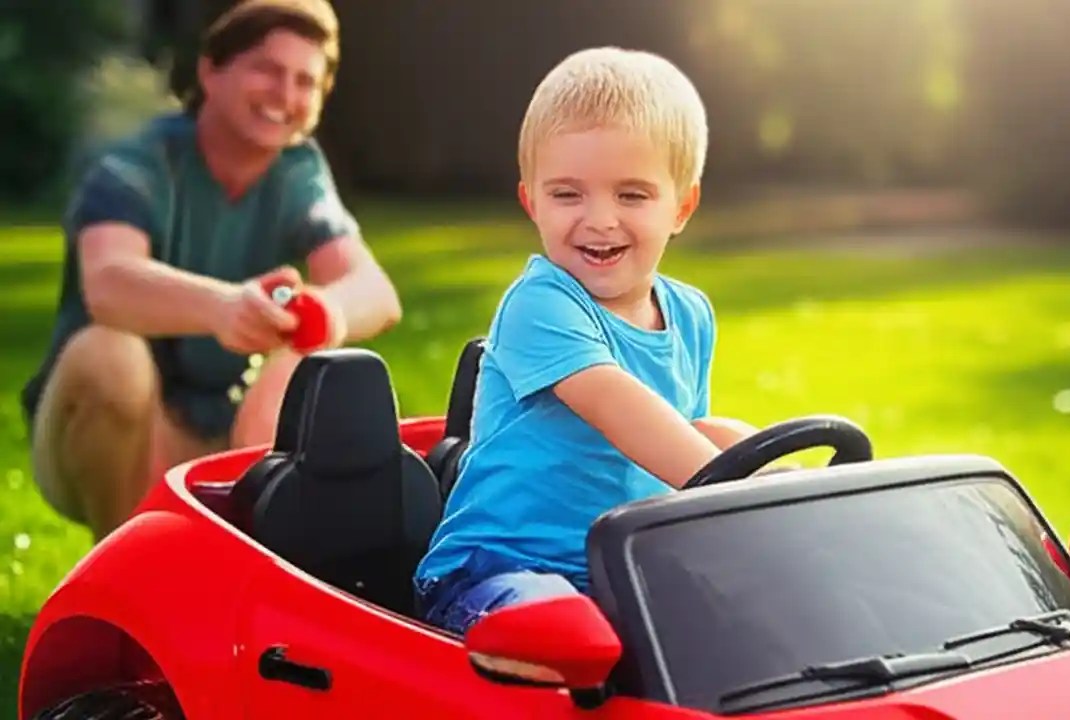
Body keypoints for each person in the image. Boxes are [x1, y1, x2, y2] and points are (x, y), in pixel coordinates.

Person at [20, 0, 401, 541]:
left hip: (221, 436)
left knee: (308, 361)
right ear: (210, 71)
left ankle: (259, 562)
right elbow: (108, 284)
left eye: (305, 82)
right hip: (107, 434)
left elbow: (374, 291)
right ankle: (122, 566)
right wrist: (225, 307)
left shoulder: (297, 170)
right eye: (267, 70)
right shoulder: (137, 164)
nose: (285, 96)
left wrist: (313, 319)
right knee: (111, 355)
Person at [414, 46, 759, 635]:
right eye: (568, 194)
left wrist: (776, 476)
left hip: (621, 571)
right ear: (531, 202)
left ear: (682, 206)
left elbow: (682, 438)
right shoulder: (540, 305)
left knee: (768, 616)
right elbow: (620, 410)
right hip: (500, 574)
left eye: (631, 195)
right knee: (572, 630)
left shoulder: (691, 314)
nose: (599, 219)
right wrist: (752, 503)